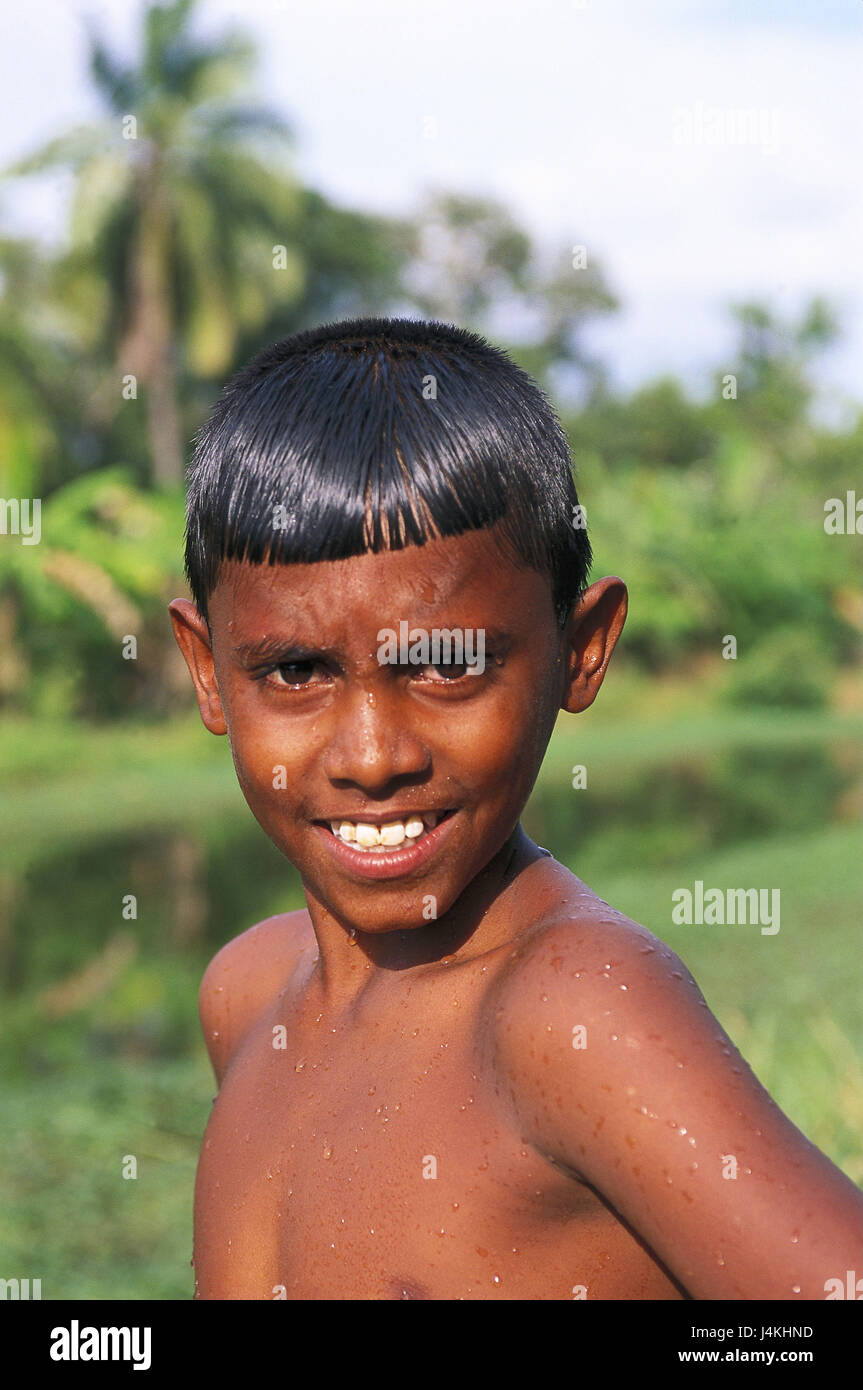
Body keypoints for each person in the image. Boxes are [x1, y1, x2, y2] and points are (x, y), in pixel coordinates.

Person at [169, 316, 863, 1300]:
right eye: (295, 670)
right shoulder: (244, 995)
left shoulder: (570, 1009)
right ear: (207, 672)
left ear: (580, 649)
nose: (372, 756)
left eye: (447, 667)